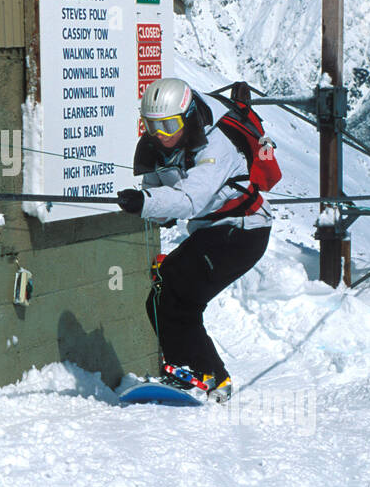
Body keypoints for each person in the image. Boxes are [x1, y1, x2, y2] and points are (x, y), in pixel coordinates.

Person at [116, 77, 273, 402]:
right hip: (213, 230)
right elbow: (162, 201)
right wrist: (147, 205)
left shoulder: (216, 145)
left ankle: (195, 375)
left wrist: (146, 202)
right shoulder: (156, 147)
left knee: (176, 290)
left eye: (170, 124)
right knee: (161, 298)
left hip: (244, 229)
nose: (162, 133)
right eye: (153, 124)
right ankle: (204, 377)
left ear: (187, 117)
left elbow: (189, 200)